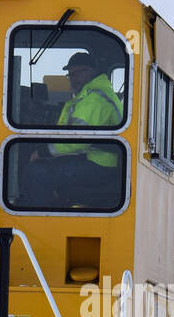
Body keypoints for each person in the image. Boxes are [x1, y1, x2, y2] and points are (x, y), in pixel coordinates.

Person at [24, 51, 122, 207]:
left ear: (91, 71)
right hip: (92, 157)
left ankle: (40, 221)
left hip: (99, 165)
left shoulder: (94, 99)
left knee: (37, 172)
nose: (74, 79)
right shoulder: (88, 95)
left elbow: (78, 139)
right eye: (71, 75)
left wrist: (44, 151)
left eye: (78, 73)